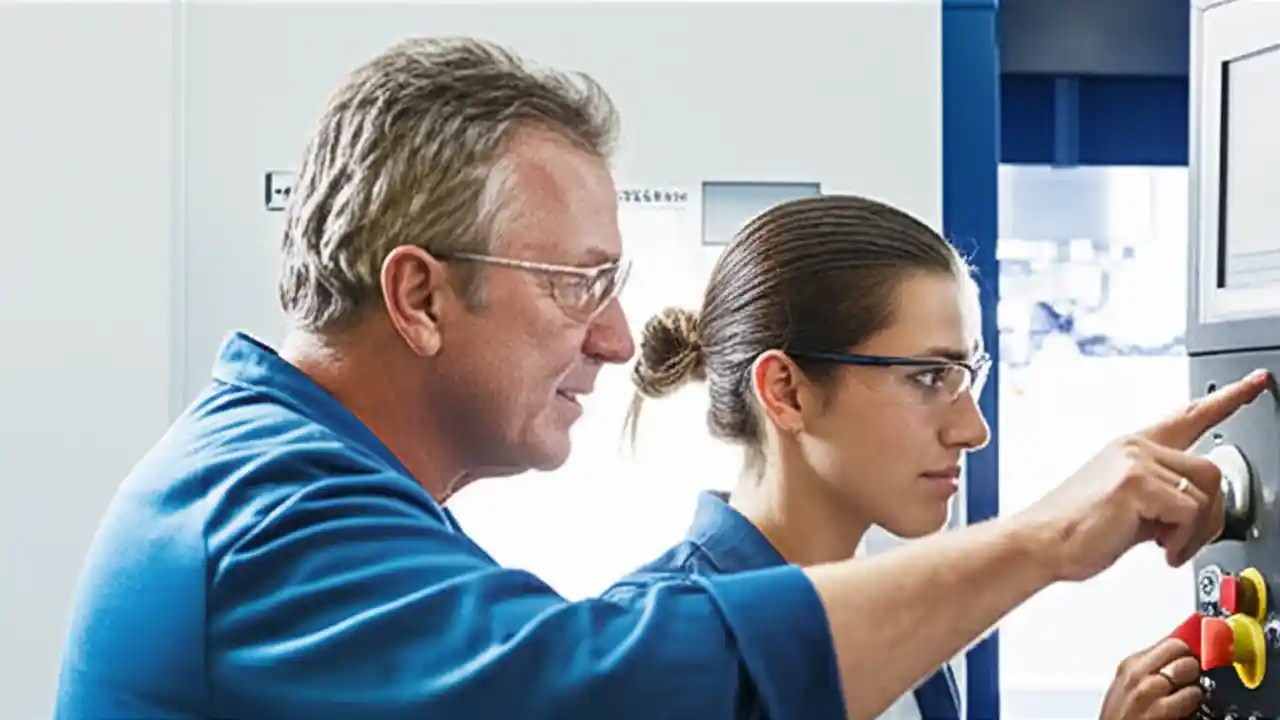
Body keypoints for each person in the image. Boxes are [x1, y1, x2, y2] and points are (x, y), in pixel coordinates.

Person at [53, 36, 1266, 720]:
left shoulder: (295, 485)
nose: (619, 339)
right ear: (419, 296)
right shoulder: (274, 521)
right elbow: (606, 693)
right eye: (575, 282)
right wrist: (1053, 534)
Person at [617, 193, 1210, 720]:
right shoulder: (659, 652)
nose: (974, 431)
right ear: (786, 392)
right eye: (929, 377)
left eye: (967, 376)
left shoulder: (905, 630)